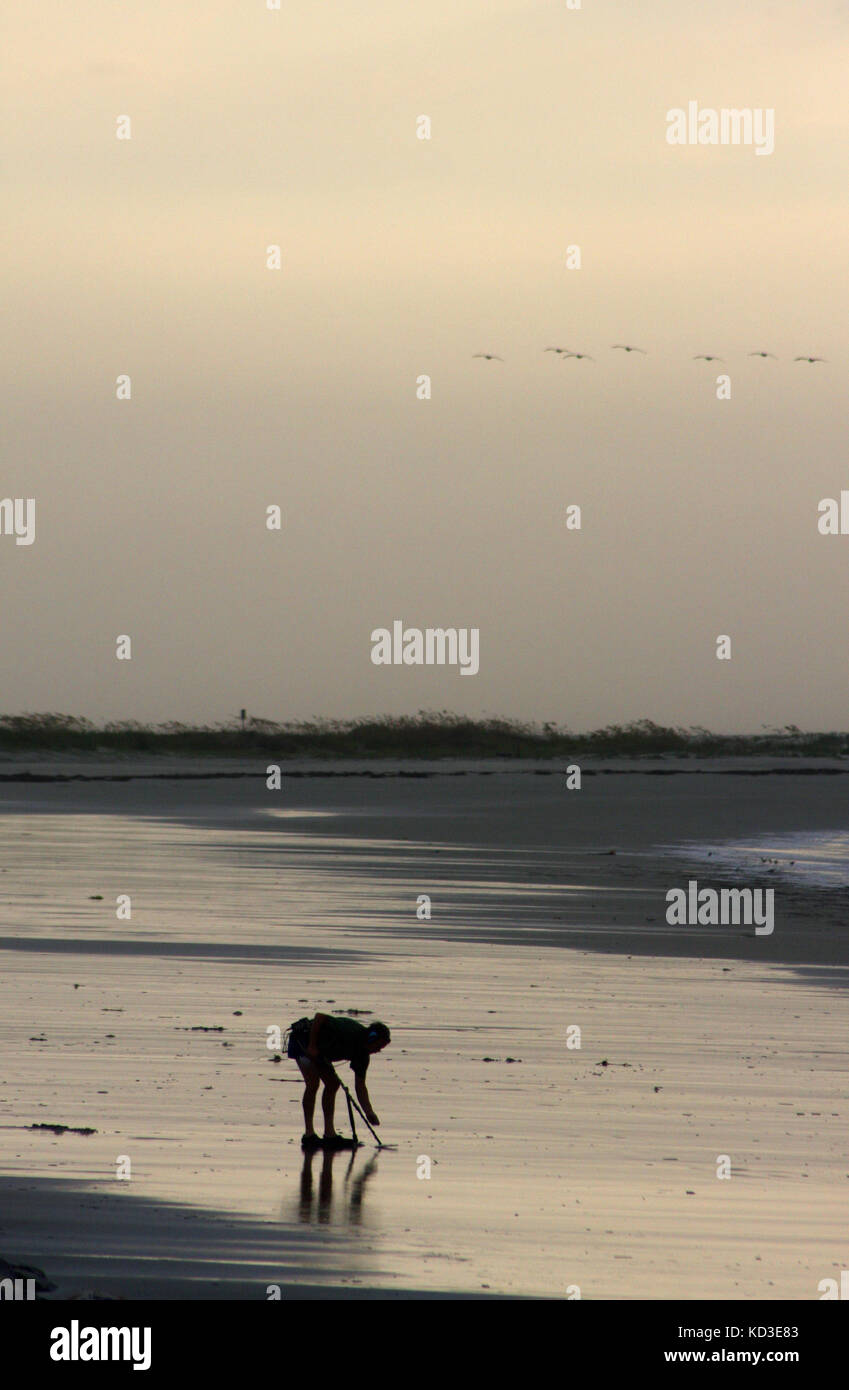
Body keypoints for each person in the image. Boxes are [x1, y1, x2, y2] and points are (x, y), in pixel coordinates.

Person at [286, 1013, 390, 1148]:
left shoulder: (363, 1055)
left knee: (332, 1084)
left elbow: (360, 1086)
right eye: (378, 1046)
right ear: (372, 1038)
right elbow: (319, 1017)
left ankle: (329, 1134)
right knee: (313, 1084)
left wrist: (369, 1112)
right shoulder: (348, 1031)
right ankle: (309, 1135)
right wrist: (312, 1046)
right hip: (303, 1041)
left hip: (321, 1053)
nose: (378, 1051)